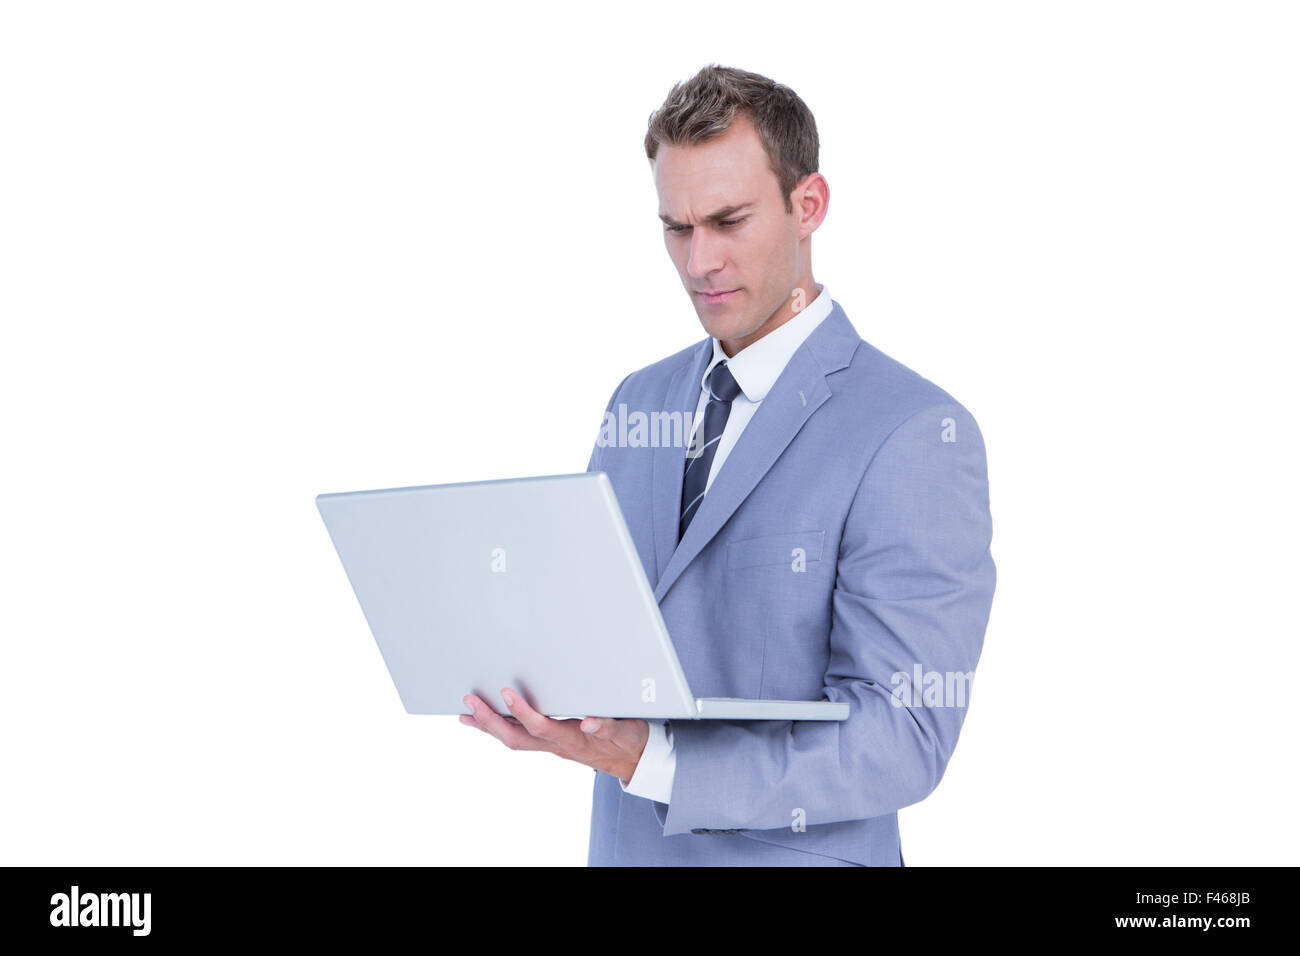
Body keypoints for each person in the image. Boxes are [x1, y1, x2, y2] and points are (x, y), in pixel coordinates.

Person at [459, 63, 996, 866]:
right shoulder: (638, 401)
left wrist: (653, 761)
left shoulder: (914, 432)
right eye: (676, 227)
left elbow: (902, 735)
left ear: (807, 206)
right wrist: (539, 686)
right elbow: (606, 637)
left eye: (728, 220)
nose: (698, 260)